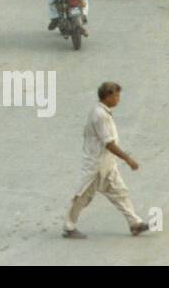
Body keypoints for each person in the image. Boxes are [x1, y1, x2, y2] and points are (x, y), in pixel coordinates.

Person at [63, 82, 148, 239]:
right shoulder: (100, 115)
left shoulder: (102, 112)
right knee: (83, 196)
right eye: (116, 96)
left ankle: (134, 223)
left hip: (107, 163)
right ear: (107, 96)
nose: (118, 99)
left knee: (120, 192)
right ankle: (69, 226)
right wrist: (128, 159)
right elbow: (108, 143)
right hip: (96, 164)